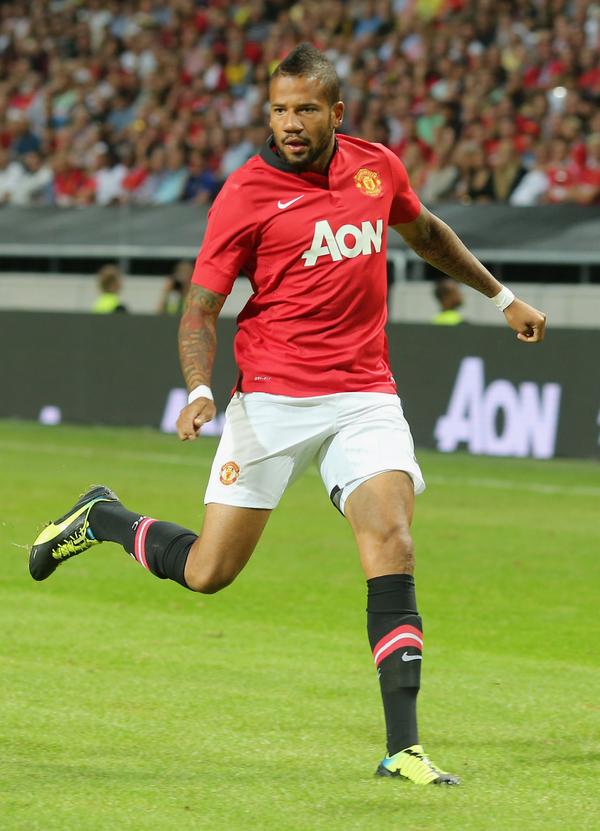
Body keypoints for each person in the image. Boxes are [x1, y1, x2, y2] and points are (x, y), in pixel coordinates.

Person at [29, 44, 546, 786]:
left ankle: (403, 748)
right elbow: (200, 309)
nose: (291, 123)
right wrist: (200, 388)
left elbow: (426, 232)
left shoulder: (376, 168)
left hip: (364, 395)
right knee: (208, 572)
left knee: (391, 539)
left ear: (336, 112)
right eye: (279, 109)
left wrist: (502, 298)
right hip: (271, 399)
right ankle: (103, 518)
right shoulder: (244, 193)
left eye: (305, 109)